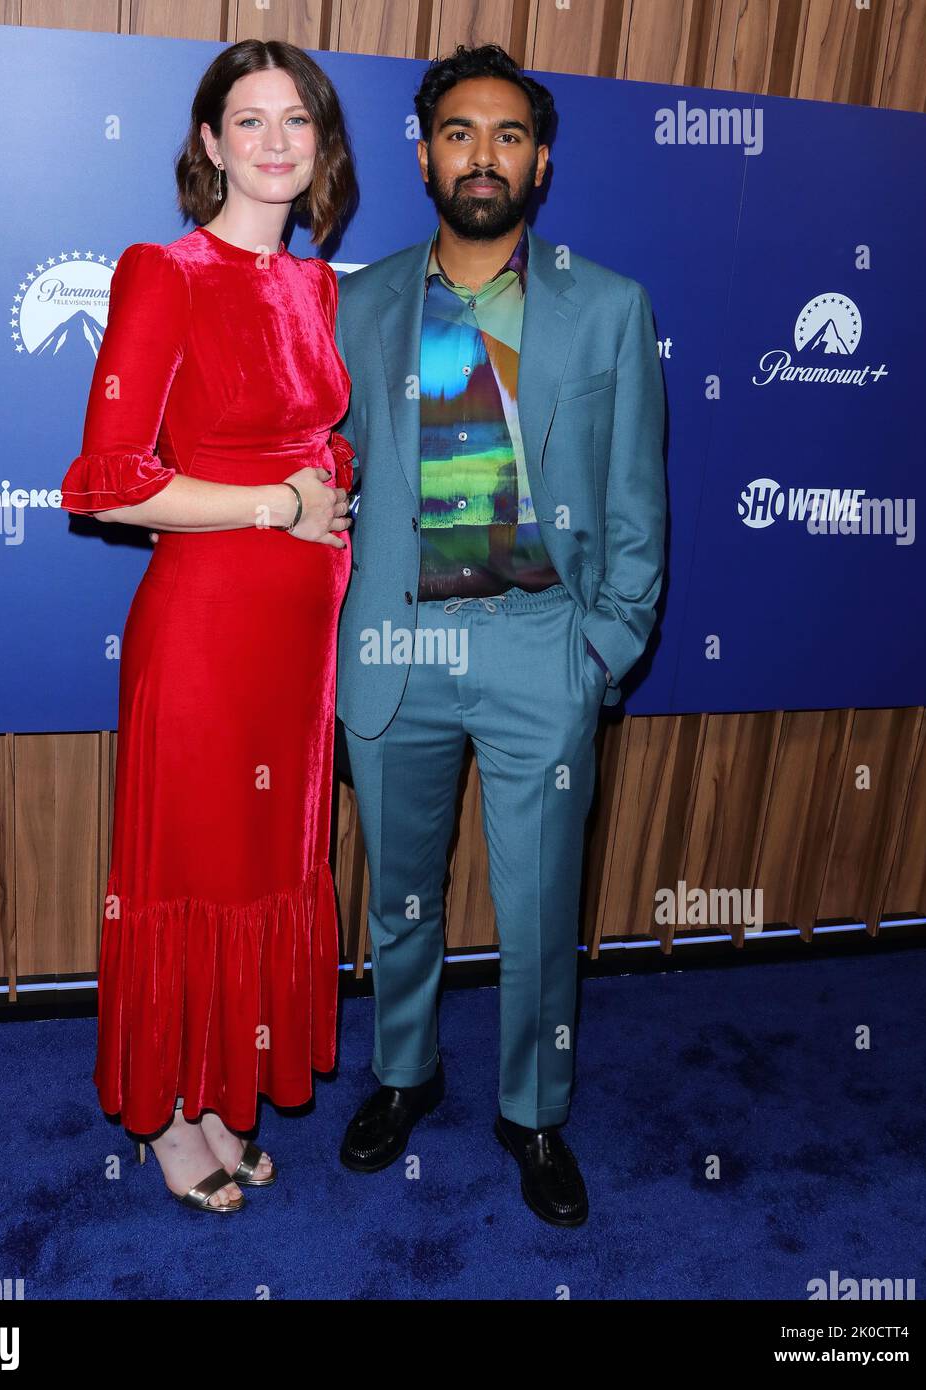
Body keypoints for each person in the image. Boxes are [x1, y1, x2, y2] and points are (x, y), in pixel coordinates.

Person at [331, 44, 666, 1227]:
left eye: (510, 135)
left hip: (537, 644)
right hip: (396, 646)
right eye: (461, 132)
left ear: (541, 163)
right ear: (422, 154)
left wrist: (599, 648)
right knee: (401, 896)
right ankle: (402, 1076)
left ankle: (532, 1112)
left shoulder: (608, 305)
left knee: (538, 908)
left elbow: (633, 503)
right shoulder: (355, 298)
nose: (485, 154)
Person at [59, 40, 356, 1213]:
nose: (275, 141)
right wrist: (275, 503)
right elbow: (108, 483)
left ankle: (230, 1085)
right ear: (207, 143)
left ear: (322, 149)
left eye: (297, 121)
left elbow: (312, 436)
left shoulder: (317, 286)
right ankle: (172, 1117)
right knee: (189, 867)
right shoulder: (163, 272)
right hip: (202, 634)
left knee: (269, 868)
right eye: (249, 119)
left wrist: (325, 487)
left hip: (298, 642)